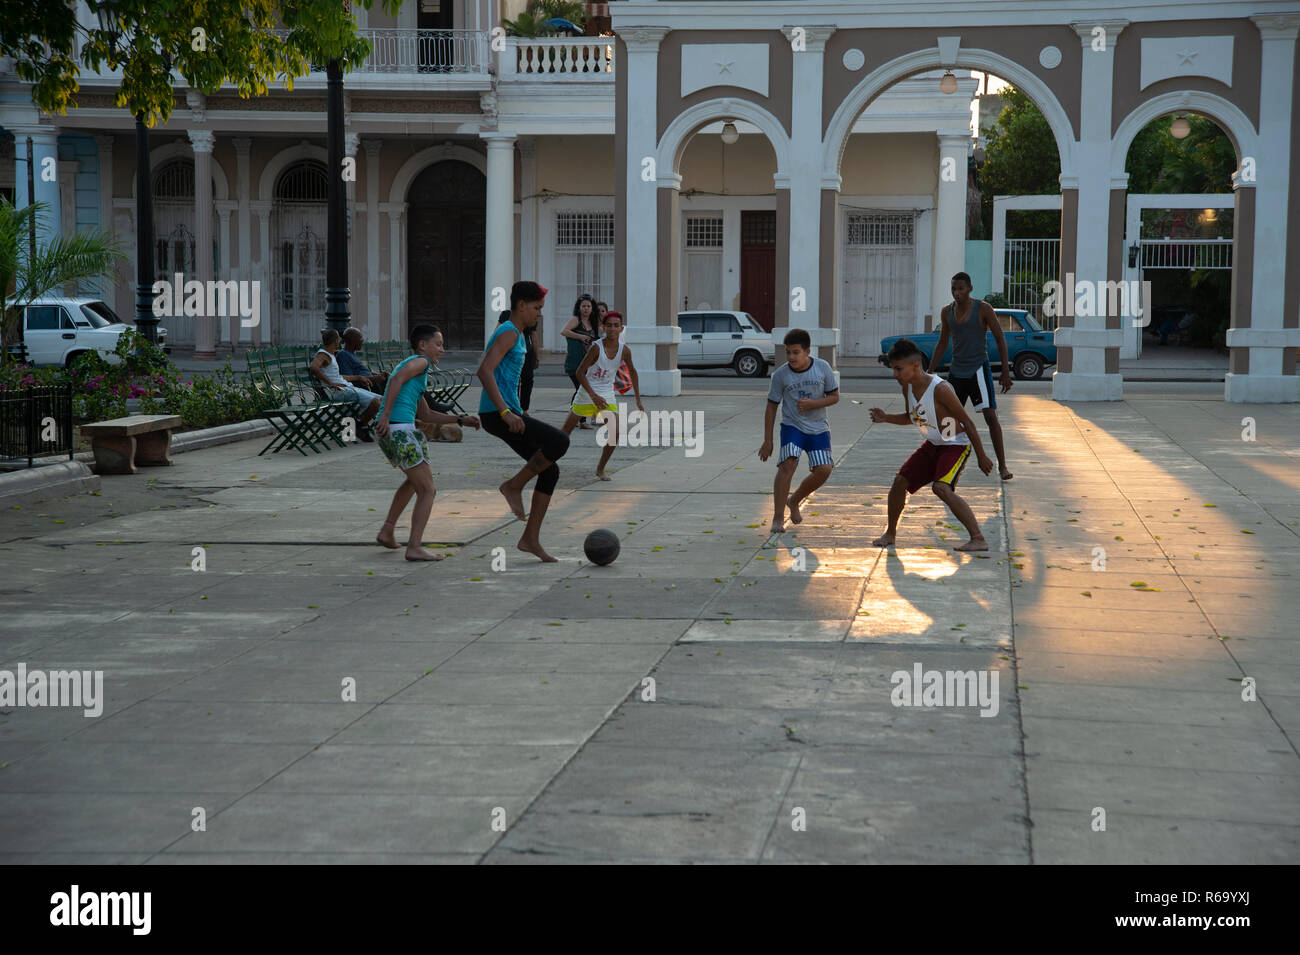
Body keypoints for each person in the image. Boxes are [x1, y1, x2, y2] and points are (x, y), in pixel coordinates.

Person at [870, 338, 994, 552]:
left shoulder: (940, 389)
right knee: (900, 481)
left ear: (915, 366)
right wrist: (886, 417)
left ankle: (978, 538)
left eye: (899, 369)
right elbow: (912, 417)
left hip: (956, 444)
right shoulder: (907, 388)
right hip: (933, 444)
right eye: (893, 369)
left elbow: (968, 422)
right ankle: (890, 534)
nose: (895, 375)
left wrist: (982, 456)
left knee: (941, 487)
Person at [479, 281, 570, 562]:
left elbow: (508, 378)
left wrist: (518, 410)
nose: (540, 314)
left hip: (508, 412)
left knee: (550, 471)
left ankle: (530, 539)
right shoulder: (508, 331)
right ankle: (514, 486)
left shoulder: (518, 334)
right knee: (559, 440)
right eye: (537, 308)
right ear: (521, 305)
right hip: (496, 414)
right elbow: (484, 372)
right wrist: (506, 412)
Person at [373, 324, 481, 561]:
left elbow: (427, 415)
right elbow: (395, 380)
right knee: (428, 489)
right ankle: (414, 546)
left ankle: (387, 530)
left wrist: (461, 419)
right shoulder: (419, 362)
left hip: (399, 430)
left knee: (414, 483)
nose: (442, 350)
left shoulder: (418, 374)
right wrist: (385, 415)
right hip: (399, 430)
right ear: (423, 345)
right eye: (439, 344)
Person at [927, 272, 1014, 481]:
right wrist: (929, 371)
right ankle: (946, 466)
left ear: (970, 289)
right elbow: (943, 342)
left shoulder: (983, 309)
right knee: (949, 419)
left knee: (990, 416)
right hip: (956, 371)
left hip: (978, 369)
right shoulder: (947, 312)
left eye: (961, 289)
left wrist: (1005, 371)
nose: (957, 293)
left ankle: (1002, 466)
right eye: (953, 289)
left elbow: (1000, 339)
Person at [758, 328, 839, 544]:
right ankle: (777, 517)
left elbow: (834, 396)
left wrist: (814, 403)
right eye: (788, 353)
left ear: (807, 351)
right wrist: (768, 440)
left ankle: (794, 501)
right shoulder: (780, 375)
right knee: (788, 465)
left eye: (796, 352)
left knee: (824, 470)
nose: (792, 357)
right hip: (792, 427)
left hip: (818, 428)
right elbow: (771, 407)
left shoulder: (822, 368)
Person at [563, 310, 643, 480]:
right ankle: (546, 461)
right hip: (587, 392)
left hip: (607, 392)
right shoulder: (596, 348)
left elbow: (633, 372)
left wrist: (638, 399)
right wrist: (592, 395)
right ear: (603, 328)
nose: (612, 329)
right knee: (565, 432)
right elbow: (579, 373)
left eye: (616, 325)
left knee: (615, 432)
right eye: (609, 325)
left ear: (621, 329)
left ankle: (600, 468)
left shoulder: (624, 350)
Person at [309, 329, 382, 441]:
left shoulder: (331, 355)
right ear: (335, 341)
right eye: (338, 339)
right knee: (375, 402)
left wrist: (358, 377)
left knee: (381, 400)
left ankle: (359, 424)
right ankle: (361, 425)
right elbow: (313, 368)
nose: (340, 341)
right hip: (337, 391)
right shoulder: (323, 354)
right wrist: (330, 383)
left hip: (345, 387)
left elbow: (338, 376)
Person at [562, 294, 600, 429]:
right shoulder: (575, 319)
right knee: (581, 389)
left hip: (588, 363)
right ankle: (579, 420)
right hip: (574, 361)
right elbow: (564, 331)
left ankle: (579, 419)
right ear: (579, 307)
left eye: (588, 306)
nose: (586, 308)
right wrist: (580, 336)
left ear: (592, 308)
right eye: (583, 306)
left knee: (582, 390)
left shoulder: (593, 322)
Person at [498, 309, 539, 412]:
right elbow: (497, 332)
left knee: (527, 380)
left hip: (526, 353)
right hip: (510, 353)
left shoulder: (531, 316)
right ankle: (514, 407)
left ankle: (523, 409)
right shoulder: (506, 314)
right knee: (513, 381)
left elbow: (534, 337)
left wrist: (536, 357)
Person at [337, 327, 388, 395]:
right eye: (360, 338)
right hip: (366, 387)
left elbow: (360, 371)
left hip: (372, 384)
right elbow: (349, 378)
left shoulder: (352, 354)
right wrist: (374, 379)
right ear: (352, 340)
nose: (362, 341)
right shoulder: (343, 355)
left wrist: (376, 375)